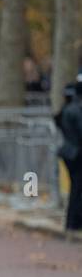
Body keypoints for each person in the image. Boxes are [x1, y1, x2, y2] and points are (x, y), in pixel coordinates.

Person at [56, 75, 82, 238]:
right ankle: (74, 223)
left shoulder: (66, 109)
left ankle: (72, 222)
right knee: (77, 189)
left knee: (76, 189)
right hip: (76, 154)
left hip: (69, 153)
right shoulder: (76, 110)